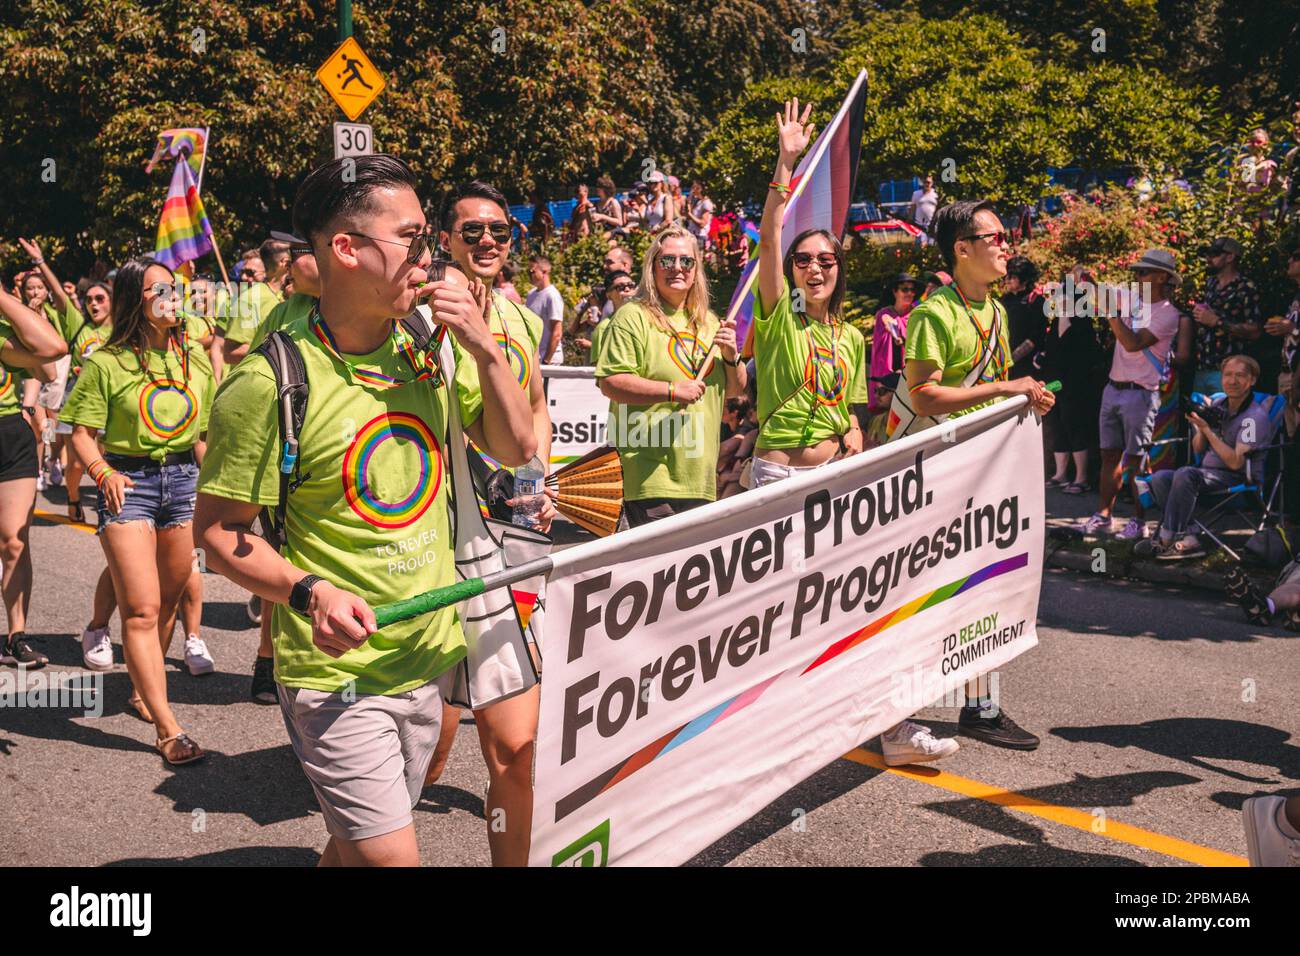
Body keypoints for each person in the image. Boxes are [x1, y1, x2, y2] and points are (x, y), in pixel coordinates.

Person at [195, 156, 537, 866]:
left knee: (352, 850)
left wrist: (483, 347)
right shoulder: (268, 383)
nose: (430, 258)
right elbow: (220, 536)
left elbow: (515, 445)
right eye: (412, 240)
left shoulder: (427, 349)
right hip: (336, 678)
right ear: (345, 250)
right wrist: (309, 592)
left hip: (430, 655)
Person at [894, 196, 1055, 752]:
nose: (1006, 245)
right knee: (925, 594)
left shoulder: (997, 311)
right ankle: (898, 711)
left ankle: (981, 708)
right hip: (929, 473)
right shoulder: (933, 313)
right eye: (995, 238)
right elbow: (926, 394)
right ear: (962, 250)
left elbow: (992, 390)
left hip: (981, 471)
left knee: (984, 586)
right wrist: (1006, 388)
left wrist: (1026, 399)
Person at [434, 178, 556, 867]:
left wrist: (537, 476)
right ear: (445, 240)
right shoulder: (417, 312)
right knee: (425, 759)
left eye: (499, 232)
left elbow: (534, 405)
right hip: (425, 547)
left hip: (505, 547)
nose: (486, 242)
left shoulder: (520, 319)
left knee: (515, 746)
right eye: (470, 231)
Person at [62, 257, 215, 761]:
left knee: (170, 599)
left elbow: (204, 435)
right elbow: (81, 434)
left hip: (184, 481)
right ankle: (169, 728)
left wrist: (217, 485)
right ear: (135, 301)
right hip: (130, 482)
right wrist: (103, 473)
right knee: (144, 607)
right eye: (158, 290)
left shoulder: (192, 356)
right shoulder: (108, 362)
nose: (172, 296)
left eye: (174, 288)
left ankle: (140, 688)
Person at [595, 223, 746, 524]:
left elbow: (735, 390)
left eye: (686, 261)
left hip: (699, 475)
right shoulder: (632, 316)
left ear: (696, 270)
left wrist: (732, 356)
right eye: (667, 260)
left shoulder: (709, 323)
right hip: (649, 473)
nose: (677, 268)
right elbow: (611, 382)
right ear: (652, 267)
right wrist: (672, 391)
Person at [1079, 250, 1185, 539]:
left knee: (1137, 460)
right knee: (1109, 456)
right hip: (1113, 388)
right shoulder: (1129, 297)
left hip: (1141, 394)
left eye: (1145, 272)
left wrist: (1112, 314)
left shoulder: (1168, 314)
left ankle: (1139, 522)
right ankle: (1104, 516)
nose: (1138, 277)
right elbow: (1097, 290)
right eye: (1137, 272)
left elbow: (1133, 343)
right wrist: (1085, 278)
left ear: (1163, 277)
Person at [1139, 354, 1277, 560]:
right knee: (1160, 478)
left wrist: (1208, 430)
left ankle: (1168, 539)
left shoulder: (1253, 418)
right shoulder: (1219, 403)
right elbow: (1198, 449)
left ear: (1252, 380)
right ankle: (1190, 535)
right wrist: (1199, 427)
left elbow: (1235, 463)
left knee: (1186, 474)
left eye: (1240, 375)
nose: (1232, 380)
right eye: (1228, 374)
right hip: (1207, 476)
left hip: (1239, 483)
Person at [0, 284, 67, 667]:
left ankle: (16, 637)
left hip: (11, 436)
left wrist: (5, 301)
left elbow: (52, 355)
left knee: (13, 542)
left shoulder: (4, 333)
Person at [1042, 265, 1106, 495]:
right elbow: (1051, 351)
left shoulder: (1083, 324)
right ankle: (1060, 474)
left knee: (1075, 425)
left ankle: (1081, 477)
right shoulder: (1054, 322)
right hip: (1055, 381)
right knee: (1057, 423)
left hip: (1076, 384)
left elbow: (1086, 355)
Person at [1191, 237, 1260, 395]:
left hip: (1229, 371)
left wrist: (1217, 321)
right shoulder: (1210, 284)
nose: (1208, 258)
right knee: (1199, 419)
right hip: (1202, 367)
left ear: (1230, 257)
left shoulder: (1245, 286)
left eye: (1214, 254)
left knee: (1225, 418)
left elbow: (1255, 331)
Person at [222, 238, 289, 367]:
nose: (243, 278)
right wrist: (282, 354)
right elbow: (230, 353)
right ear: (283, 263)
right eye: (243, 272)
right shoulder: (249, 299)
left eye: (250, 273)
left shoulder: (287, 296)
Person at [869, 273, 918, 418]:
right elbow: (878, 346)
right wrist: (891, 330)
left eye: (912, 290)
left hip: (907, 373)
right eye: (904, 289)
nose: (909, 293)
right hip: (887, 375)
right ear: (895, 292)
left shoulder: (916, 315)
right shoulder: (883, 314)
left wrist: (900, 331)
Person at [1001, 256, 1044, 381]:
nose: (1007, 280)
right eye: (1007, 276)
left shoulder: (1036, 301)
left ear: (1024, 279)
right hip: (1005, 365)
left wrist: (1012, 358)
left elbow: (1036, 336)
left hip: (1028, 367)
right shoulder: (1003, 300)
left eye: (1013, 277)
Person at [526, 254, 565, 365]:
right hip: (535, 357)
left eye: (532, 272)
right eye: (528, 272)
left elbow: (557, 332)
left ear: (545, 271)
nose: (529, 275)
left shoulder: (552, 296)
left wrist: (546, 360)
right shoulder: (531, 294)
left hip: (549, 359)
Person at [909, 173, 939, 241]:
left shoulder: (936, 195)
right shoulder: (916, 194)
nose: (927, 184)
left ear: (932, 183)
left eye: (928, 182)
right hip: (919, 225)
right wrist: (910, 219)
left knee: (931, 245)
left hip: (932, 225)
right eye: (925, 182)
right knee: (919, 245)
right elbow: (912, 208)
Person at [685, 180, 714, 246]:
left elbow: (702, 224)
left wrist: (690, 214)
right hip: (692, 234)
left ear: (699, 189)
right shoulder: (698, 202)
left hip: (699, 237)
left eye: (693, 188)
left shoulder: (706, 203)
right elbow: (688, 216)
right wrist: (688, 202)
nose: (691, 190)